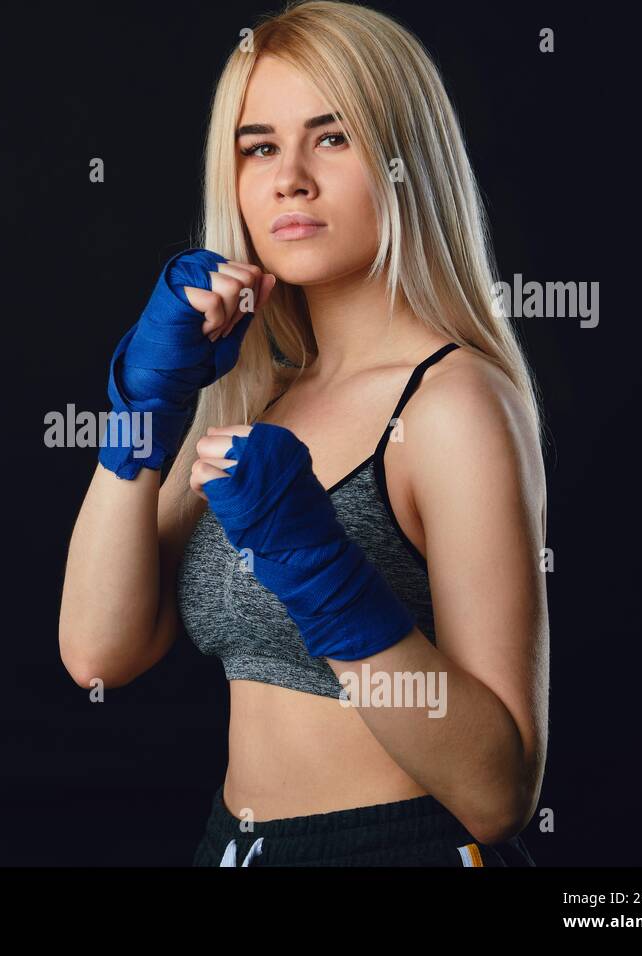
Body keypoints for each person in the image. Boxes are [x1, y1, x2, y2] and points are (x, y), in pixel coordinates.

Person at [58, 0, 548, 866]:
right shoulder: (254, 393)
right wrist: (142, 415)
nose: (288, 177)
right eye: (258, 147)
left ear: (405, 164)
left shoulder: (453, 403)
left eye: (332, 137)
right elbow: (101, 654)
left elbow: (499, 791)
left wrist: (321, 567)